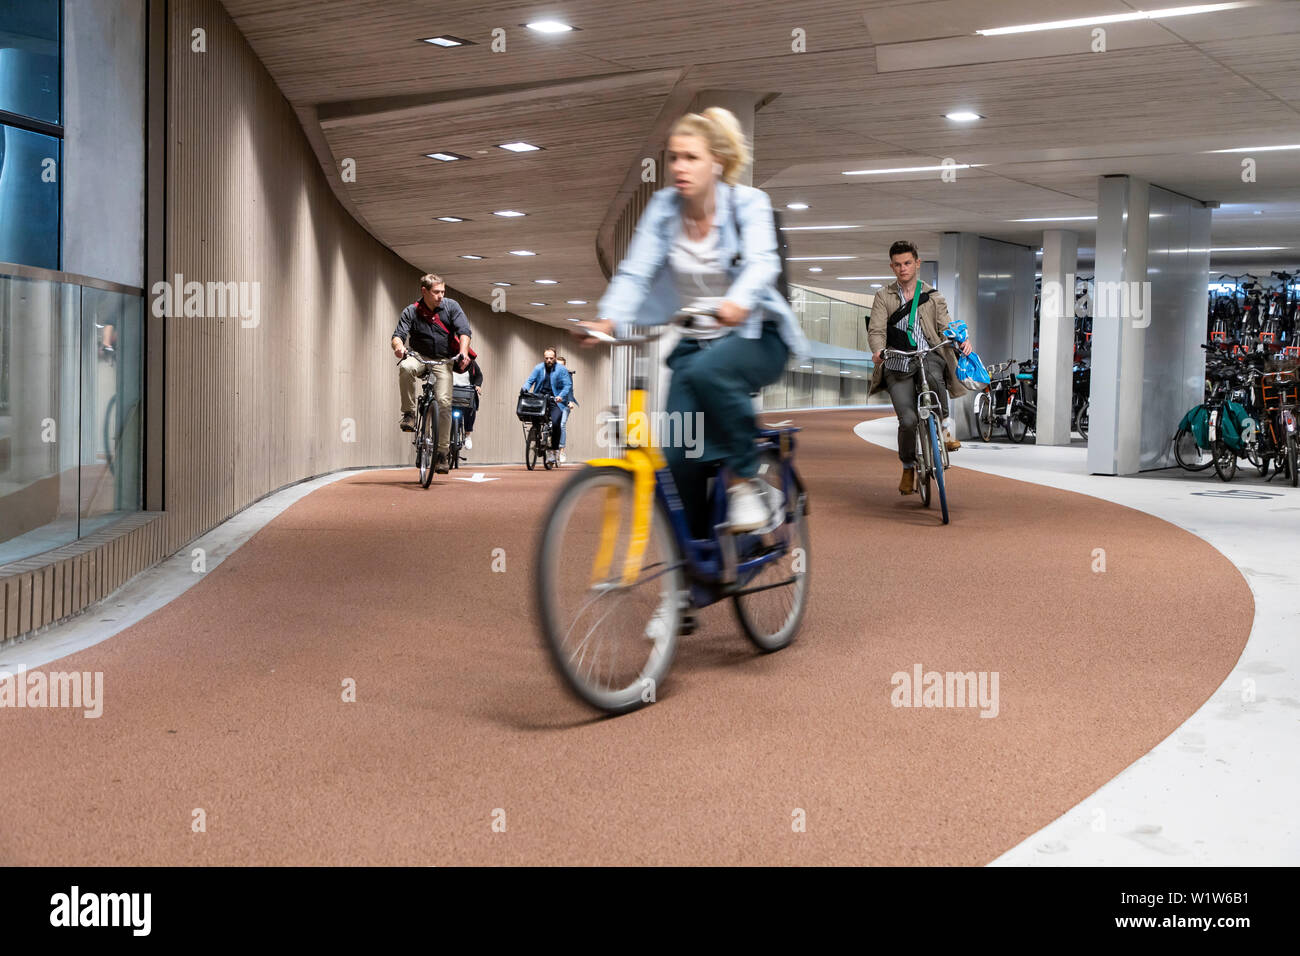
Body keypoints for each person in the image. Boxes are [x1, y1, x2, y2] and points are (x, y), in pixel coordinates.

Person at [574, 107, 809, 535]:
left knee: (708, 372)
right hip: (696, 341)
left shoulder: (748, 204)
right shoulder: (665, 208)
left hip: (756, 335)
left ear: (716, 162)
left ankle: (746, 482)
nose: (679, 167)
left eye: (691, 157)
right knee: (678, 454)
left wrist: (738, 301)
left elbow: (761, 263)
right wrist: (610, 319)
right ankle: (695, 575)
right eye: (673, 157)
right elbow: (635, 271)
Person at [866, 241, 972, 495]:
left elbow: (946, 324)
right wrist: (879, 350)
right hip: (897, 361)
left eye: (907, 263)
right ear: (892, 267)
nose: (903, 269)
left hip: (929, 355)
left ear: (917, 263)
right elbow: (877, 330)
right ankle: (907, 466)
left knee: (936, 379)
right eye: (898, 265)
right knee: (908, 420)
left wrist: (960, 338)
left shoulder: (933, 296)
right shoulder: (884, 296)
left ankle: (944, 429)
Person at [392, 274, 472, 474]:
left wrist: (462, 351)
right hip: (418, 356)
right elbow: (398, 335)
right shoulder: (411, 311)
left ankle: (442, 454)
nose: (440, 296)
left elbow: (464, 331)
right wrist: (399, 347)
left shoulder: (451, 307)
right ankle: (409, 414)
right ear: (424, 291)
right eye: (436, 292)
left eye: (443, 292)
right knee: (405, 367)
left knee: (444, 402)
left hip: (443, 359)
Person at [522, 347, 572, 466]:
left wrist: (561, 396)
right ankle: (536, 436)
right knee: (533, 418)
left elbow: (567, 385)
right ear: (544, 358)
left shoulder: (561, 370)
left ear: (555, 358)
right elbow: (530, 381)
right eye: (546, 358)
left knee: (556, 423)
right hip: (539, 398)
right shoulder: (538, 368)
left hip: (555, 400)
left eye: (551, 358)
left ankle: (553, 450)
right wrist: (524, 389)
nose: (549, 360)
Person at [452, 356, 483, 451]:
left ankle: (467, 435)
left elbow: (479, 375)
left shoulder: (472, 363)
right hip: (452, 390)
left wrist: (478, 385)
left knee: (471, 408)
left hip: (467, 392)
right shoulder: (451, 361)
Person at [556, 355, 578, 464]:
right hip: (553, 402)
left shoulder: (568, 375)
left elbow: (569, 389)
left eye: (562, 366)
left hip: (564, 403)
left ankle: (561, 450)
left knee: (561, 424)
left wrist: (570, 401)